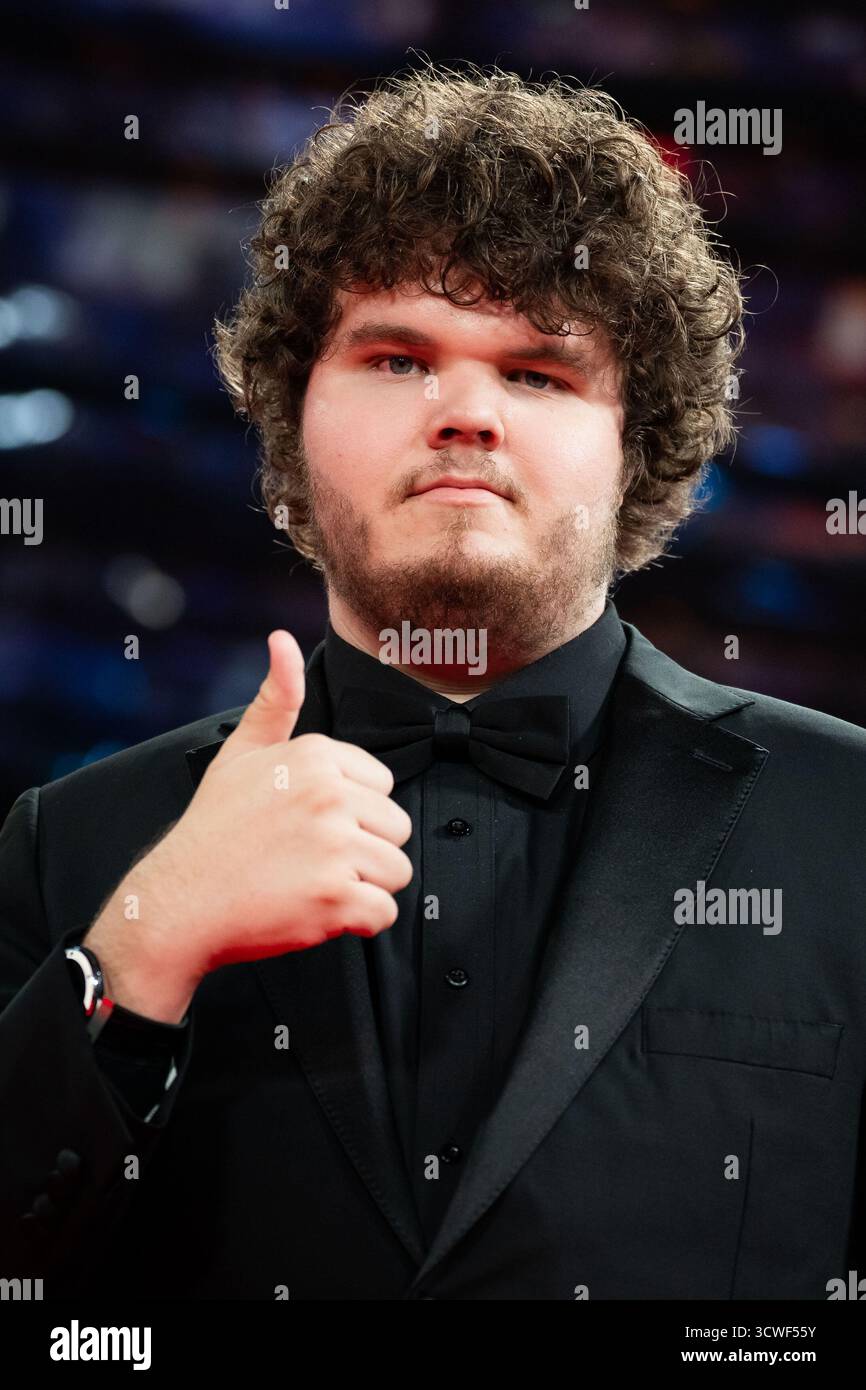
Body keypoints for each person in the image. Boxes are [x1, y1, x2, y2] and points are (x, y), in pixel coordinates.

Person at [1, 62, 864, 1302]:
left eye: (535, 371)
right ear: (293, 415)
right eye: (397, 358)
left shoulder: (846, 825)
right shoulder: (73, 847)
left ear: (638, 444)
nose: (463, 410)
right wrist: (146, 947)